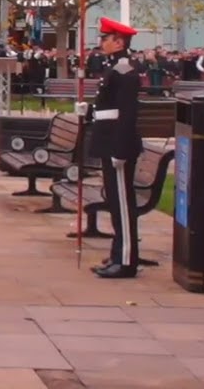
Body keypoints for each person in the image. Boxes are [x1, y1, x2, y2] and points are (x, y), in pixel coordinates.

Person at [82, 17, 143, 279]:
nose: (102, 43)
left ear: (118, 41)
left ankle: (127, 259)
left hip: (118, 143)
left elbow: (127, 114)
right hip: (108, 139)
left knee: (122, 204)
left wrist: (119, 149)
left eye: (106, 39)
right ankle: (119, 253)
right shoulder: (115, 67)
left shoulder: (125, 70)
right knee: (115, 203)